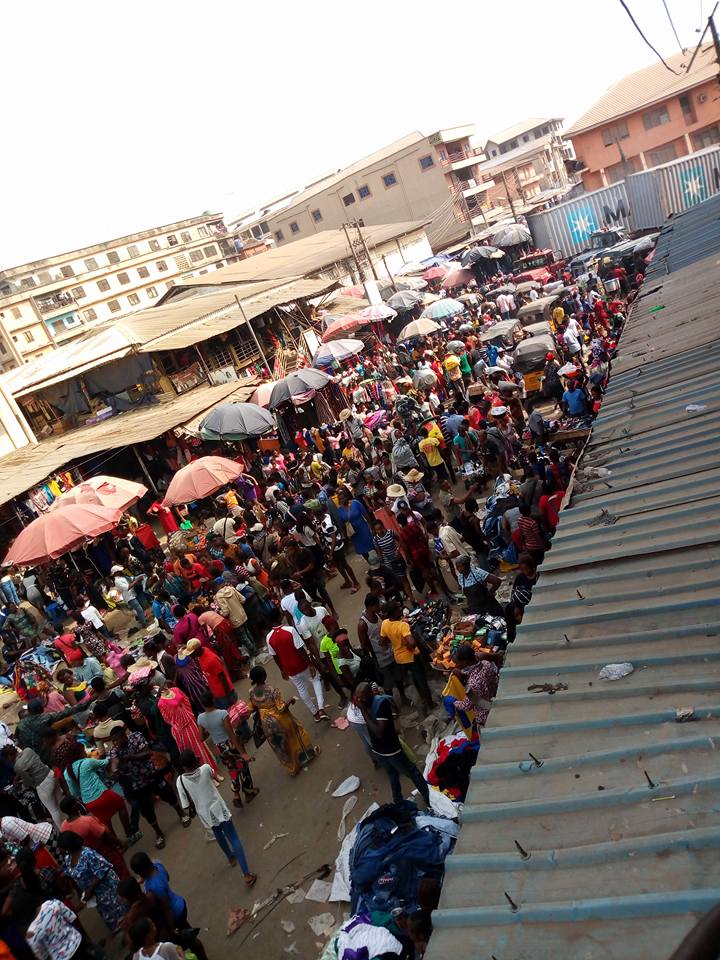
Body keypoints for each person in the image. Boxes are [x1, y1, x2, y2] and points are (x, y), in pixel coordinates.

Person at [175, 749, 256, 884]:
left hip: (205, 814)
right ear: (196, 760)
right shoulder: (205, 768)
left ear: (183, 767)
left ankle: (231, 857)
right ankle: (247, 874)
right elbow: (213, 775)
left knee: (218, 833)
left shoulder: (180, 781)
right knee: (234, 838)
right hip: (218, 808)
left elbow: (185, 805)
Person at [107, 721, 188, 849]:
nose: (115, 743)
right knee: (146, 810)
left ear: (124, 736)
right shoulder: (114, 750)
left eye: (117, 740)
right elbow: (114, 761)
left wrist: (131, 757)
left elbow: (147, 753)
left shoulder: (136, 737)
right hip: (138, 784)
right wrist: (115, 770)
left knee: (168, 794)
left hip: (151, 774)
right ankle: (158, 833)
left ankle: (182, 814)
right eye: (113, 741)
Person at [354, 682, 430, 806]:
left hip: (390, 749)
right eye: (357, 697)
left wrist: (363, 711)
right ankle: (398, 801)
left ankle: (428, 798)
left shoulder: (380, 704)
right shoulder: (366, 704)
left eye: (361, 697)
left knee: (412, 772)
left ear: (370, 694)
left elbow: (379, 732)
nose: (359, 700)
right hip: (379, 750)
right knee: (393, 774)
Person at [248, 665, 319, 776]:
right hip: (280, 720)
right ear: (263, 676)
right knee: (296, 734)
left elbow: (252, 707)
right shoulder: (271, 690)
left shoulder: (251, 692)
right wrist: (290, 701)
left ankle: (293, 768)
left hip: (265, 723)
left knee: (280, 746)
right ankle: (308, 755)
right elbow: (281, 708)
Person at [57, 831, 127, 933]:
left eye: (61, 847)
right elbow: (71, 870)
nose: (60, 850)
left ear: (68, 846)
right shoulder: (68, 858)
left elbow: (103, 869)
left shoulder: (87, 854)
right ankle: (119, 929)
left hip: (107, 888)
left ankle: (128, 928)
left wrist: (90, 890)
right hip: (95, 895)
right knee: (106, 912)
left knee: (118, 909)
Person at [197, 690, 257, 806]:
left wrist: (210, 731)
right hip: (230, 744)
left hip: (219, 747)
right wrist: (243, 753)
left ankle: (236, 794)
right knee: (242, 766)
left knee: (232, 769)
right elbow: (231, 735)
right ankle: (248, 792)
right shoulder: (222, 714)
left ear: (202, 704)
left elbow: (201, 737)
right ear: (213, 700)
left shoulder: (201, 718)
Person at [266, 620, 329, 722]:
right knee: (315, 680)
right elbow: (300, 649)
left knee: (301, 689)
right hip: (301, 664)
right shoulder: (290, 630)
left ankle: (315, 713)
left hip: (289, 669)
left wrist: (282, 670)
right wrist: (310, 663)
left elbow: (275, 657)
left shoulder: (268, 637)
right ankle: (321, 708)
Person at [59, 795, 129, 879]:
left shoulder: (64, 826)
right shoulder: (87, 821)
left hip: (86, 856)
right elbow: (105, 836)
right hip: (103, 851)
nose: (79, 802)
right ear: (74, 806)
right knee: (120, 871)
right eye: (76, 802)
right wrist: (120, 842)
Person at [380, 602, 433, 712]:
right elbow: (412, 642)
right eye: (399, 609)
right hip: (411, 656)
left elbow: (382, 641)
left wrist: (395, 642)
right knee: (421, 679)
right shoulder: (402, 625)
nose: (401, 610)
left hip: (399, 658)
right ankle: (430, 703)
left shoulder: (385, 623)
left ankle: (423, 699)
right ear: (394, 612)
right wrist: (408, 647)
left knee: (414, 677)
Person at [157, 687, 218, 775]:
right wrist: (177, 724)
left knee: (201, 746)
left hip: (190, 721)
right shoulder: (161, 703)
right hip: (180, 730)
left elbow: (186, 699)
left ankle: (212, 771)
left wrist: (189, 714)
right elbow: (167, 719)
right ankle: (204, 775)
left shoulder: (175, 690)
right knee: (193, 752)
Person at [357, 593, 405, 700]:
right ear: (371, 606)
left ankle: (403, 697)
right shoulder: (363, 624)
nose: (379, 607)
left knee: (398, 677)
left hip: (390, 652)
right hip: (379, 659)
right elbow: (364, 645)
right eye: (377, 605)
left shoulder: (378, 615)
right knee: (387, 683)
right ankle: (392, 705)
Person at [1, 745, 63, 828]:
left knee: (54, 810)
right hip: (51, 774)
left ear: (9, 755)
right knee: (61, 803)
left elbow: (29, 782)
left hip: (43, 785)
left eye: (7, 758)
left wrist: (22, 782)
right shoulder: (28, 750)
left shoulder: (17, 766)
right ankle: (71, 820)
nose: (8, 761)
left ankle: (64, 829)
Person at [451, 642, 500, 728]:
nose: (457, 665)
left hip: (486, 716)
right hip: (495, 697)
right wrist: (462, 673)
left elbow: (466, 706)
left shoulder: (474, 683)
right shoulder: (486, 664)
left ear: (466, 661)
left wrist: (452, 701)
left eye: (458, 662)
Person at [25, 899, 91, 960]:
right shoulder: (51, 903)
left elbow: (42, 955)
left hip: (63, 957)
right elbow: (71, 917)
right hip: (77, 940)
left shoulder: (31, 932)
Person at [185, 637, 235, 709]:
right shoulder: (202, 653)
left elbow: (222, 677)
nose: (190, 656)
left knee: (235, 717)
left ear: (198, 650)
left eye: (192, 653)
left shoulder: (211, 659)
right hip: (217, 693)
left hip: (224, 694)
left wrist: (229, 697)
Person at [337, 491, 374, 561]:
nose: (343, 500)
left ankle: (381, 563)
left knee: (372, 546)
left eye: (344, 497)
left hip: (363, 528)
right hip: (354, 534)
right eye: (341, 499)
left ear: (347, 497)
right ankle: (372, 565)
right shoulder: (339, 510)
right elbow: (342, 524)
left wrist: (371, 527)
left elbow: (365, 514)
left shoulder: (355, 503)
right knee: (362, 551)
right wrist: (346, 536)